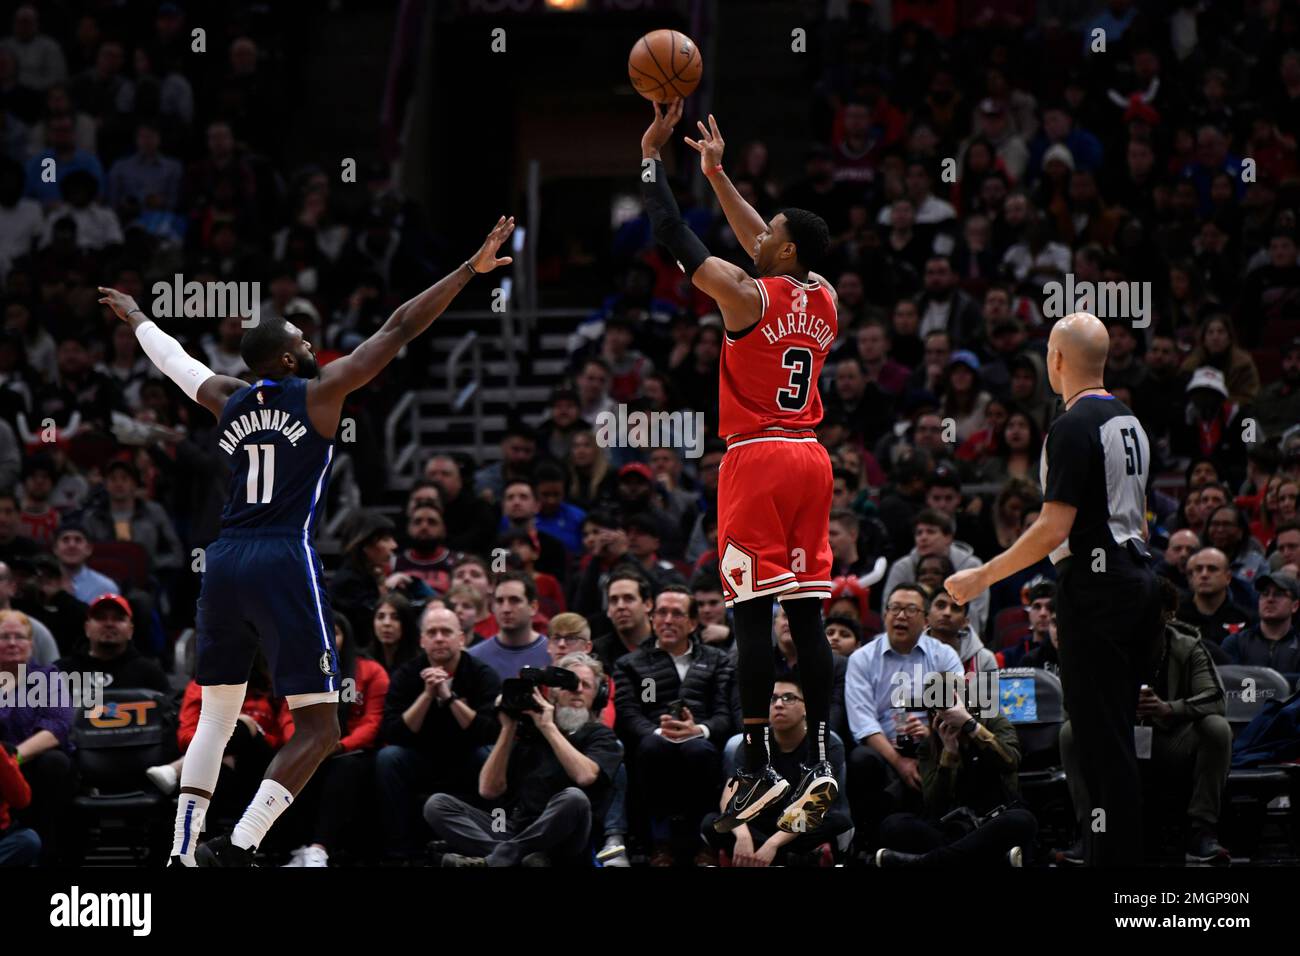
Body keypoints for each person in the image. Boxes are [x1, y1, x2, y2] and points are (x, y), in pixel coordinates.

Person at [97, 213, 516, 867]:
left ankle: (183, 852)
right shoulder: (319, 393)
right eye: (302, 335)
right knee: (322, 728)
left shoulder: (228, 398)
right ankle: (239, 845)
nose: (312, 339)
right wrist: (470, 269)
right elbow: (400, 326)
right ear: (289, 359)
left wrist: (136, 318)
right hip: (281, 555)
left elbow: (176, 362)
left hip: (226, 556)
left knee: (215, 714)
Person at [644, 100, 838, 832]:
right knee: (809, 619)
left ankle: (755, 755)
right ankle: (818, 755)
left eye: (772, 237)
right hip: (812, 459)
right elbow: (762, 236)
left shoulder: (743, 296)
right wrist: (718, 173)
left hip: (756, 460)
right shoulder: (825, 297)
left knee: (753, 623)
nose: (761, 237)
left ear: (783, 252)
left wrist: (648, 156)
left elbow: (671, 232)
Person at [947, 311, 1159, 867]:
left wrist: (981, 576)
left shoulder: (1070, 425)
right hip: (1137, 582)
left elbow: (1052, 528)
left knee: (1101, 743)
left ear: (1057, 360)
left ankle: (1117, 868)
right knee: (1115, 737)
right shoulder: (1130, 422)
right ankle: (1114, 856)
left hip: (1096, 587)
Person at [1061, 579, 1232, 865]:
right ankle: (1091, 832)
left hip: (1170, 741)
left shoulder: (1187, 646)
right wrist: (1116, 709)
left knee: (1216, 728)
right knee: (1070, 732)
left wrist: (1169, 709)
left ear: (1169, 614)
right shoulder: (1102, 645)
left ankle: (1201, 832)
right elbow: (1072, 705)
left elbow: (1215, 698)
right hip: (1118, 742)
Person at [425, 652, 622, 867]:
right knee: (437, 805)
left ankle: (498, 859)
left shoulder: (600, 735)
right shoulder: (530, 731)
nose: (577, 690)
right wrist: (508, 726)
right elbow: (489, 790)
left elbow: (585, 776)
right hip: (515, 831)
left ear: (599, 696)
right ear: (553, 694)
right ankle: (512, 857)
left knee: (574, 797)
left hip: (565, 838)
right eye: (570, 683)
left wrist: (548, 727)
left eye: (586, 685)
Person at [612, 586, 738, 865]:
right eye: (661, 613)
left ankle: (705, 841)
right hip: (653, 739)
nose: (667, 620)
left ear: (693, 623)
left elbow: (724, 714)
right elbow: (628, 713)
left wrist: (699, 730)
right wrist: (659, 732)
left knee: (699, 751)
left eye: (677, 614)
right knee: (652, 747)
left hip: (702, 740)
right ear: (652, 617)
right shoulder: (629, 664)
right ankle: (660, 843)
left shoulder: (717, 660)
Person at [375, 605, 501, 864]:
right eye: (432, 632)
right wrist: (427, 695)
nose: (440, 638)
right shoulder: (407, 674)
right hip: (421, 757)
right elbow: (393, 732)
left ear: (462, 638)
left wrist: (449, 697)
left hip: (468, 757)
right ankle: (399, 853)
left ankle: (488, 845)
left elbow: (491, 732)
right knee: (388, 758)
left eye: (446, 631)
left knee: (489, 754)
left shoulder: (482, 674)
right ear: (422, 640)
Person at [844, 584, 963, 846]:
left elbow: (957, 708)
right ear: (884, 614)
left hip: (934, 743)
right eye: (895, 608)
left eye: (911, 610)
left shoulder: (944, 656)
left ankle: (948, 837)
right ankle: (870, 845)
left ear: (926, 619)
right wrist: (899, 761)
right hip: (885, 750)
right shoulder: (862, 659)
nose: (901, 616)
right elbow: (863, 722)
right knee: (861, 759)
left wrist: (931, 734)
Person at [703, 677, 851, 865]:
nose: (779, 704)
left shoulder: (826, 745)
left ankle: (761, 857)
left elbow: (814, 804)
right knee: (712, 823)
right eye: (772, 699)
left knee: (839, 822)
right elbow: (729, 795)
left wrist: (772, 844)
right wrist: (742, 836)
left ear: (807, 707)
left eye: (789, 698)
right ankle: (795, 859)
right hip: (764, 821)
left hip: (801, 823)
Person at [280, 615, 389, 867]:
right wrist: (298, 744)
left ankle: (319, 849)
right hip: (309, 748)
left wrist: (339, 746)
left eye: (336, 633)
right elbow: (287, 716)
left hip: (352, 752)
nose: (328, 638)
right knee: (288, 764)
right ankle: (298, 851)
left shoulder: (370, 671)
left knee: (343, 768)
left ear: (346, 637)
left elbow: (373, 722)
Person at [0, 609, 75, 863]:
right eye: (4, 637)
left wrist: (14, 760)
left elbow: (57, 727)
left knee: (55, 762)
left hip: (31, 761)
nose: (12, 643)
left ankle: (51, 855)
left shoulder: (47, 676)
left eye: (19, 637)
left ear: (31, 643)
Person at [55, 592, 169, 693]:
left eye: (118, 618)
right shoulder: (61, 671)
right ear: (87, 628)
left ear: (130, 630)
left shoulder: (150, 674)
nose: (109, 624)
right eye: (100, 618)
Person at [467, 571, 550, 680]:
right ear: (492, 606)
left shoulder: (552, 653)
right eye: (500, 601)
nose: (506, 609)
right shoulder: (474, 658)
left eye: (514, 600)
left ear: (533, 607)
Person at [1222, 572, 1300, 679]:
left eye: (1279, 594)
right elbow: (1227, 682)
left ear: (1295, 606)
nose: (1270, 599)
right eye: (1264, 593)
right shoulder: (1236, 642)